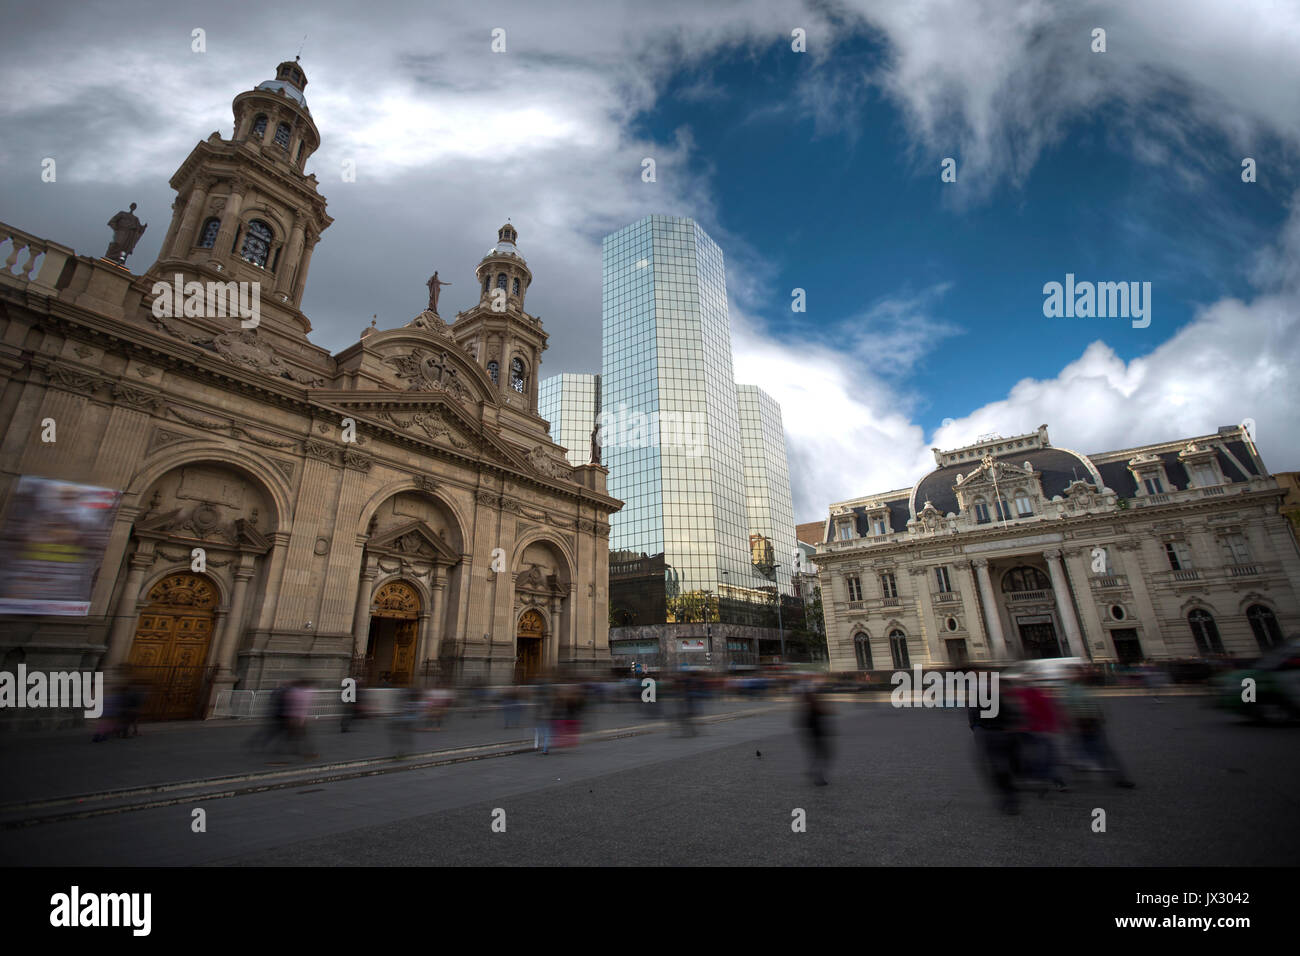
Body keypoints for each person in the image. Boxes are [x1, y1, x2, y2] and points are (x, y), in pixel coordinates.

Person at [1064, 668, 1135, 788]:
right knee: (1099, 751)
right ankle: (1116, 776)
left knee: (1095, 750)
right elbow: (1074, 707)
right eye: (1075, 674)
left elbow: (1090, 704)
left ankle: (1116, 776)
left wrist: (1099, 715)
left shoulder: (1080, 688)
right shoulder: (1073, 690)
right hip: (1086, 725)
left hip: (1090, 724)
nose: (1081, 675)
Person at [800, 679, 832, 786]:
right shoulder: (813, 705)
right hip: (816, 734)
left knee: (818, 755)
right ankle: (818, 777)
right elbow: (821, 713)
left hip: (814, 733)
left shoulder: (809, 705)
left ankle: (812, 771)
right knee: (823, 755)